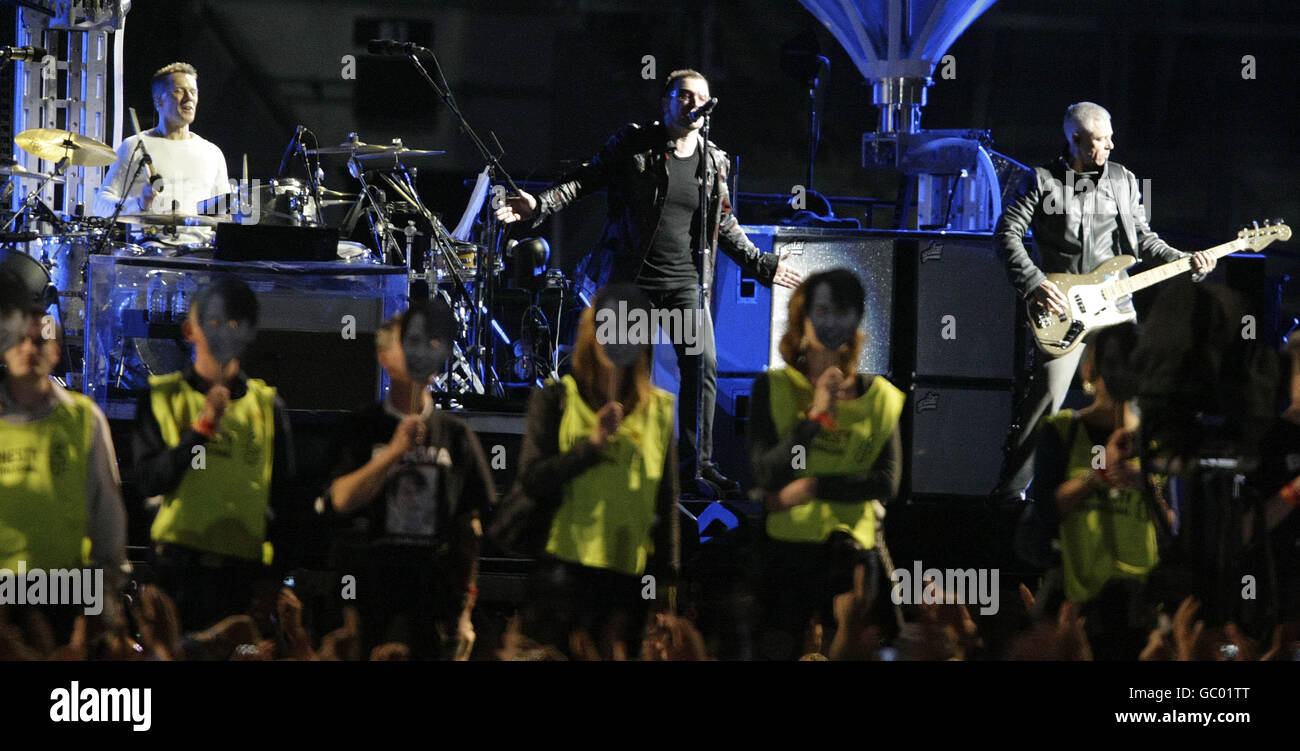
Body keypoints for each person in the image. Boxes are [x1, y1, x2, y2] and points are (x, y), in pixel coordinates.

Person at [494, 68, 801, 493]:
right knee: (621, 375)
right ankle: (610, 459)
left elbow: (724, 225)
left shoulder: (713, 162)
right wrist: (540, 203)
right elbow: (587, 177)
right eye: (684, 96)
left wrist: (763, 264)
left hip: (682, 287)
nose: (693, 104)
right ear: (667, 102)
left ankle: (696, 467)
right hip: (632, 282)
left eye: (701, 97)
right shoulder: (635, 145)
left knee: (702, 365)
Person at [993, 101, 1217, 501]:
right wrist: (1033, 282)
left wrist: (1185, 261)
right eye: (1100, 139)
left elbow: (1144, 241)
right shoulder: (1041, 180)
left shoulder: (1123, 180)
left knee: (1132, 396)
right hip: (1063, 308)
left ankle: (1138, 486)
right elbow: (1007, 233)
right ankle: (1012, 497)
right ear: (1075, 140)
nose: (1111, 145)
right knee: (1046, 401)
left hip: (1115, 305)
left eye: (1111, 136)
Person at [509, 284, 680, 658]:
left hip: (627, 581)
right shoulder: (556, 400)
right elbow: (533, 480)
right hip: (563, 577)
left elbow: (665, 504)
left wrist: (666, 588)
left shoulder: (660, 410)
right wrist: (593, 445)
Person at [748, 269, 904, 660]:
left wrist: (813, 486)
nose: (831, 321)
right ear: (803, 319)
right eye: (821, 310)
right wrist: (815, 418)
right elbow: (766, 472)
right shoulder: (773, 387)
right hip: (787, 557)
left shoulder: (880, 395)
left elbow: (886, 481)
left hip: (851, 554)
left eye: (842, 311)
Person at [327, 299, 495, 660]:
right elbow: (340, 499)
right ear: (386, 358)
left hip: (434, 602)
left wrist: (465, 612)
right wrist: (392, 453)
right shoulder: (362, 426)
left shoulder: (456, 435)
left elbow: (471, 528)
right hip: (372, 597)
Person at [130, 277, 295, 631]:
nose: (225, 333)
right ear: (191, 330)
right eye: (215, 322)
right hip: (176, 575)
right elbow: (147, 481)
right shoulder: (162, 398)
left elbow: (285, 502)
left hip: (242, 582)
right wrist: (201, 429)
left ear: (250, 331)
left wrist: (275, 580)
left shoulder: (267, 407)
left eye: (236, 323)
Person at [1033, 324, 1168, 660]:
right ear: (1090, 370)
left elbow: (1171, 527)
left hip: (1141, 606)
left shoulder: (1157, 444)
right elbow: (1046, 511)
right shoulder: (1062, 430)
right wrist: (1098, 473)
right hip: (1077, 601)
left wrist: (1146, 482)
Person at [0, 300, 127, 637]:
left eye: (41, 340)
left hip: (66, 590)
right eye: (18, 340)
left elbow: (107, 513)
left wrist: (107, 594)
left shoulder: (84, 418)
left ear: (56, 352)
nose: (29, 348)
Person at [93, 62, 229, 244]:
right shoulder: (134, 146)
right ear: (158, 100)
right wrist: (141, 203)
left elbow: (223, 214)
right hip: (150, 253)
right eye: (179, 91)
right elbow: (100, 205)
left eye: (193, 92)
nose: (189, 98)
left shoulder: (212, 153)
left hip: (200, 255)